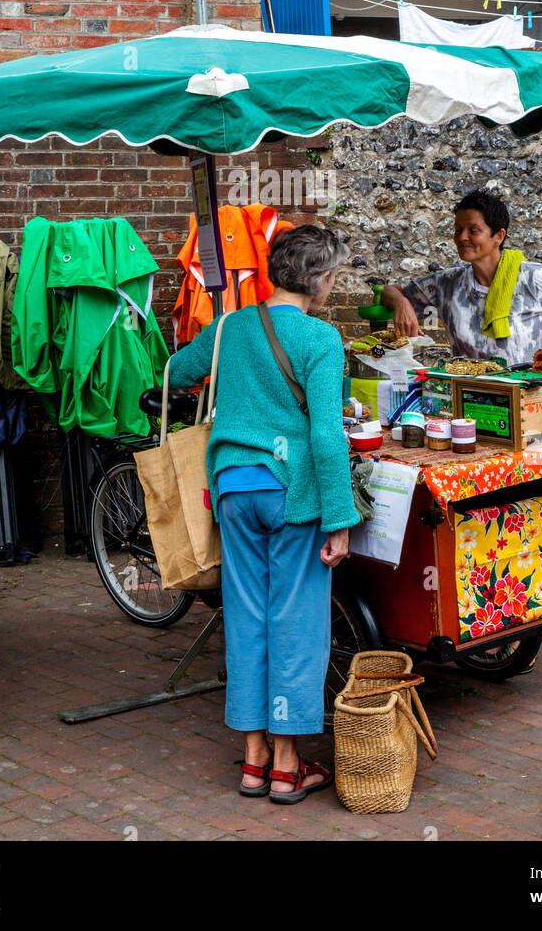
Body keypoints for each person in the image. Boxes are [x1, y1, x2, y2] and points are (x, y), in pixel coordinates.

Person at [166, 224, 359, 804]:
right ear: (322, 280)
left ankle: (252, 759)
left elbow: (175, 371)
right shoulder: (320, 339)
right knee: (296, 624)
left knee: (246, 619)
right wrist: (340, 517)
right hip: (290, 489)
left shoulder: (229, 326)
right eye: (334, 277)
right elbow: (327, 436)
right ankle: (285, 763)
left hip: (232, 487)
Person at [380, 188, 542, 366]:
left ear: (498, 236)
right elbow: (390, 292)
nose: (462, 237)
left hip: (531, 399)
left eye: (473, 230)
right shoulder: (447, 283)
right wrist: (402, 302)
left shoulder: (534, 278)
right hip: (470, 403)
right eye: (458, 230)